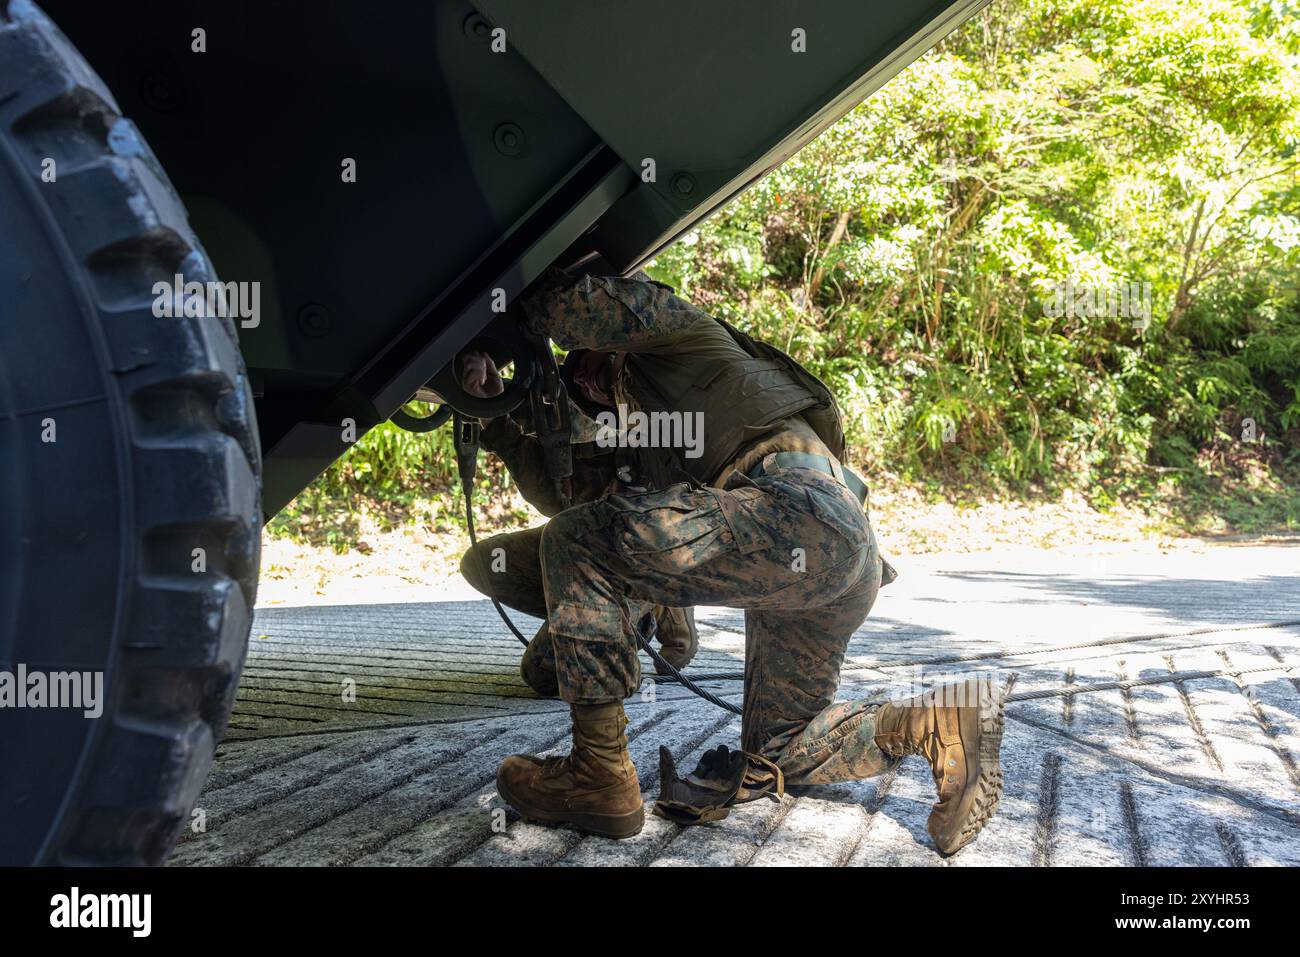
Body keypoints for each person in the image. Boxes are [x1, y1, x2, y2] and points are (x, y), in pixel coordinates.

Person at [479, 268, 1004, 855]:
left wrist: (488, 311)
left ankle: (596, 773)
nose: (593, 384)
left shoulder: (688, 336)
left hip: (795, 513)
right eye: (585, 391)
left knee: (574, 541)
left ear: (620, 346)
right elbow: (573, 495)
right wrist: (491, 413)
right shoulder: (655, 439)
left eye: (596, 367)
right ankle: (937, 721)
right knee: (782, 749)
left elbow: (573, 306)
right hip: (829, 559)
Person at [458, 350, 698, 697]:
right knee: (484, 563)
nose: (585, 379)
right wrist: (492, 412)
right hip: (594, 549)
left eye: (596, 370)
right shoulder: (592, 418)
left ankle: (656, 608)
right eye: (579, 373)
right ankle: (621, 624)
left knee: (543, 672)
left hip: (646, 559)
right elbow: (556, 498)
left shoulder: (675, 409)